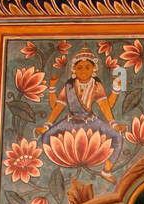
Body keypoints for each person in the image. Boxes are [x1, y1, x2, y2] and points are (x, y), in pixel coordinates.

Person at [36, 48, 123, 182]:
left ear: (94, 69)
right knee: (46, 137)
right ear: (74, 70)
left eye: (87, 67)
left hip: (91, 120)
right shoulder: (69, 86)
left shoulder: (96, 85)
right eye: (80, 67)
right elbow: (58, 106)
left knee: (117, 137)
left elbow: (105, 106)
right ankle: (61, 168)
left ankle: (106, 170)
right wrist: (46, 125)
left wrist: (114, 124)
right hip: (70, 121)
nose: (83, 70)